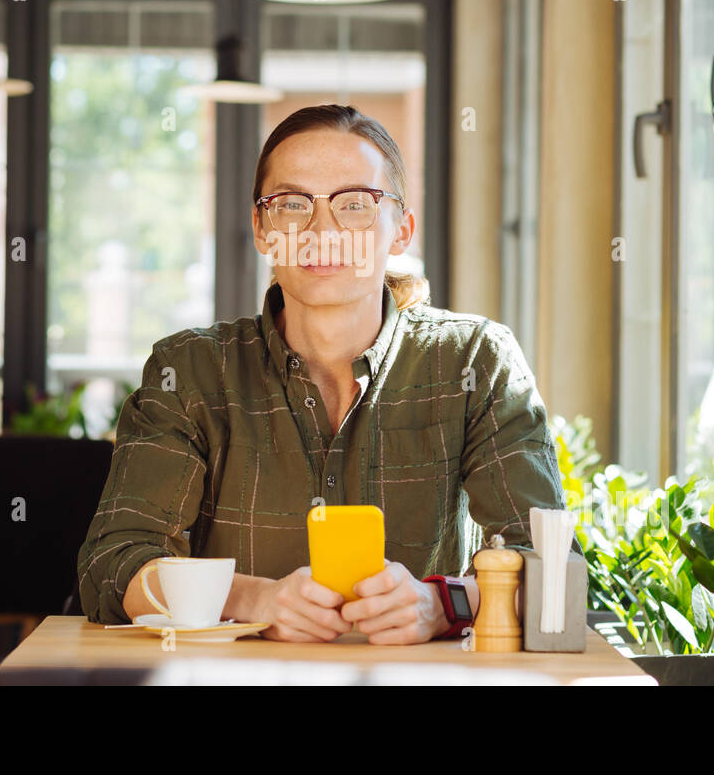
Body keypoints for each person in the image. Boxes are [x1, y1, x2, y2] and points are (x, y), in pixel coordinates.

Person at [76, 103, 566, 644]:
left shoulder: (476, 361)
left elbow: (550, 568)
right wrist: (251, 599)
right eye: (291, 204)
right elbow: (114, 565)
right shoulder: (188, 371)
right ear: (262, 229)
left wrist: (441, 602)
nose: (322, 230)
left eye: (355, 204)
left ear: (400, 230)